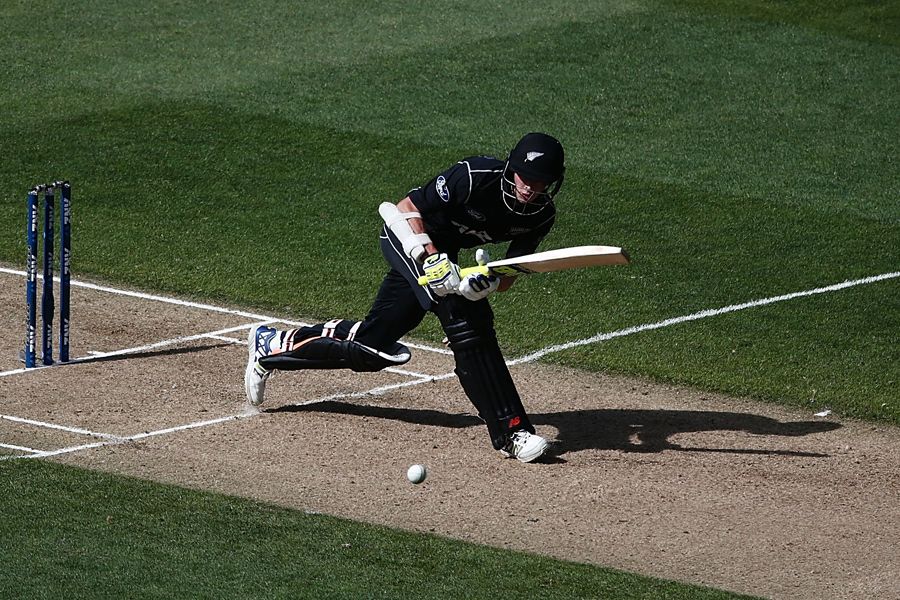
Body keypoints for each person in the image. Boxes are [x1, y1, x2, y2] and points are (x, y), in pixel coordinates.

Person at [244, 132, 565, 463]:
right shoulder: (474, 176)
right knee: (468, 321)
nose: (530, 188)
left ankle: (272, 345)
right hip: (409, 238)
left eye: (541, 182)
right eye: (526, 178)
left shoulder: (540, 216)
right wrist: (431, 257)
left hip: (447, 256)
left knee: (372, 348)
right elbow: (406, 208)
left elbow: (509, 273)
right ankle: (512, 432)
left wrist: (487, 282)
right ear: (511, 168)